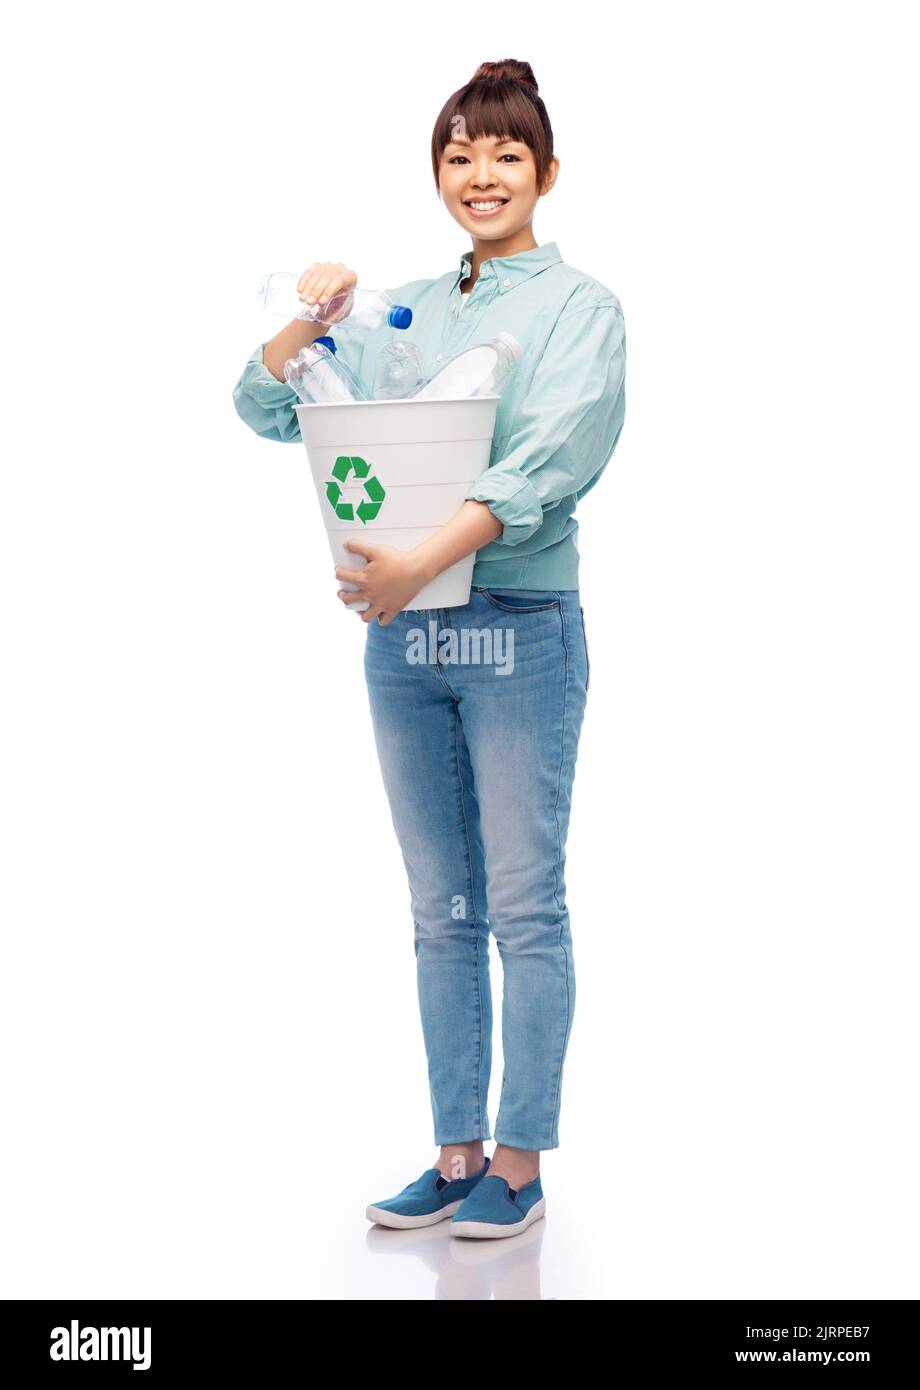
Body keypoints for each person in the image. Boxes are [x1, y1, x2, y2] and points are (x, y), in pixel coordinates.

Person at [232, 58, 627, 1239]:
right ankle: (454, 1151)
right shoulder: (404, 306)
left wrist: (414, 563)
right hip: (403, 639)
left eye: (505, 153)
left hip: (513, 629)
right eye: (458, 154)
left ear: (545, 173)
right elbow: (267, 407)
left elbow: (545, 464)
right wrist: (310, 316)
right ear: (437, 175)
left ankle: (519, 1161)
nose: (481, 174)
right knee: (436, 905)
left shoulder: (579, 309)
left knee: (523, 904)